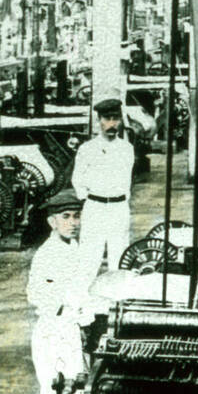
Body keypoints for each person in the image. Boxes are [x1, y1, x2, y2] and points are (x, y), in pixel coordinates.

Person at [26, 189, 94, 394]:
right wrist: (73, 315)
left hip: (70, 330)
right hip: (54, 333)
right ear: (52, 222)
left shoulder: (72, 246)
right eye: (66, 217)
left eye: (76, 216)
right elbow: (37, 296)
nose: (73, 222)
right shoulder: (48, 254)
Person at [72, 96, 135, 278]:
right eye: (107, 119)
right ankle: (84, 302)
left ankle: (116, 304)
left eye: (115, 119)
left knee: (119, 256)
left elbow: (127, 180)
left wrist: (120, 201)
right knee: (89, 258)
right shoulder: (87, 148)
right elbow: (77, 179)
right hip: (95, 207)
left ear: (120, 120)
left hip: (119, 208)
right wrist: (90, 200)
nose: (111, 124)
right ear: (99, 120)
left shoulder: (126, 148)